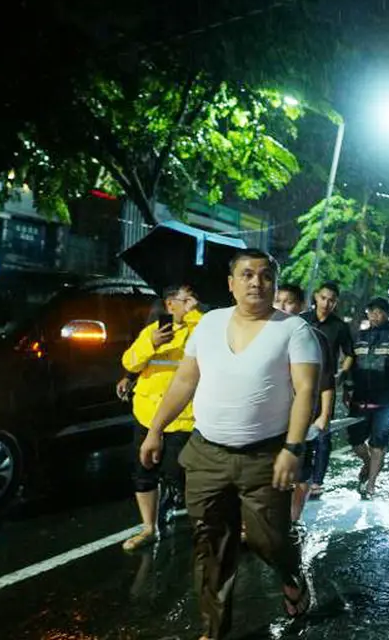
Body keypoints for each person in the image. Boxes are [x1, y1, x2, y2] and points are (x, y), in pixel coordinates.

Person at [139, 249, 321, 640]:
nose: (256, 282)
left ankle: (290, 575)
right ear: (230, 283)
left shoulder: (294, 330)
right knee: (211, 545)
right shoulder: (208, 325)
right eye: (247, 274)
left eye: (265, 276)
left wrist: (293, 448)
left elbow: (306, 391)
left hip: (265, 457)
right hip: (207, 454)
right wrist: (156, 428)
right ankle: (213, 630)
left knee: (268, 539)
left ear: (274, 283)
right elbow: (185, 381)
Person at [120, 284, 202, 551]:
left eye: (193, 298)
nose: (191, 303)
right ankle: (149, 527)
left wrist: (192, 314)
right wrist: (150, 343)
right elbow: (130, 362)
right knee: (142, 472)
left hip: (182, 417)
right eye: (185, 299)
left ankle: (205, 528)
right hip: (146, 414)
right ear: (170, 305)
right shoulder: (152, 332)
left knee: (179, 473)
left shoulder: (200, 329)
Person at [346, 296, 389, 498]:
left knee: (379, 441)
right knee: (355, 440)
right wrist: (348, 388)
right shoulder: (360, 336)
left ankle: (371, 485)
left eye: (379, 312)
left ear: (387, 314)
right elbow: (350, 366)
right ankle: (367, 462)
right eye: (372, 311)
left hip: (387, 399)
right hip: (360, 399)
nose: (375, 315)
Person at [276, 283, 335, 522]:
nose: (282, 306)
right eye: (277, 300)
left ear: (300, 306)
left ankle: (293, 519)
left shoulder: (315, 338)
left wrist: (324, 416)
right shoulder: (261, 334)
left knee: (300, 472)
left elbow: (327, 381)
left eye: (288, 301)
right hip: (270, 416)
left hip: (303, 415)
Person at [299, 281, 354, 497]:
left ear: (335, 303)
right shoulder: (302, 321)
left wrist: (342, 373)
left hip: (326, 384)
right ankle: (299, 473)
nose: (326, 303)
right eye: (323, 298)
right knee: (299, 428)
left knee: (322, 431)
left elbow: (349, 353)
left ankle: (317, 480)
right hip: (300, 381)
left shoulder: (339, 327)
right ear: (316, 297)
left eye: (331, 300)